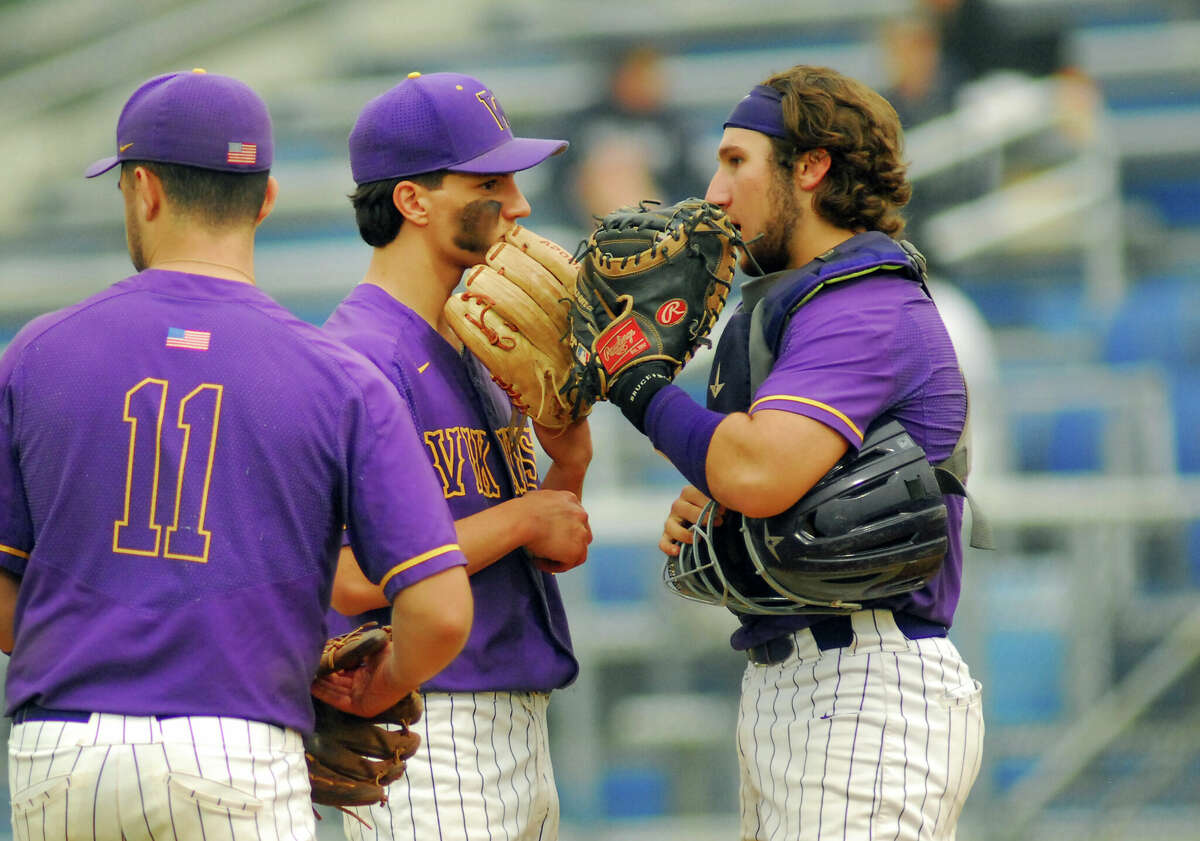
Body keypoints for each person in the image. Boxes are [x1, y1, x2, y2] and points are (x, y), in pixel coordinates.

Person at [0, 69, 472, 841]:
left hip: (65, 744)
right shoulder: (338, 375)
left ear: (143, 189)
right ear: (266, 199)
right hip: (237, 746)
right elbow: (442, 612)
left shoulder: (36, 351)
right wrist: (369, 687)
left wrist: (100, 637)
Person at [602, 65, 985, 839]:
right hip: (808, 683)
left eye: (737, 161)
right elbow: (756, 477)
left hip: (866, 687)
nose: (714, 190)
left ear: (810, 168)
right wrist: (721, 501)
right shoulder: (808, 301)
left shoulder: (863, 301)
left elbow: (760, 468)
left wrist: (637, 382)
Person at [322, 71, 593, 841]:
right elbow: (346, 571)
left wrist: (567, 464)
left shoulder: (484, 341)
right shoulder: (358, 355)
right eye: (491, 181)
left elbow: (544, 545)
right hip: (428, 731)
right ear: (412, 201)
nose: (520, 203)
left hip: (518, 724)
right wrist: (526, 512)